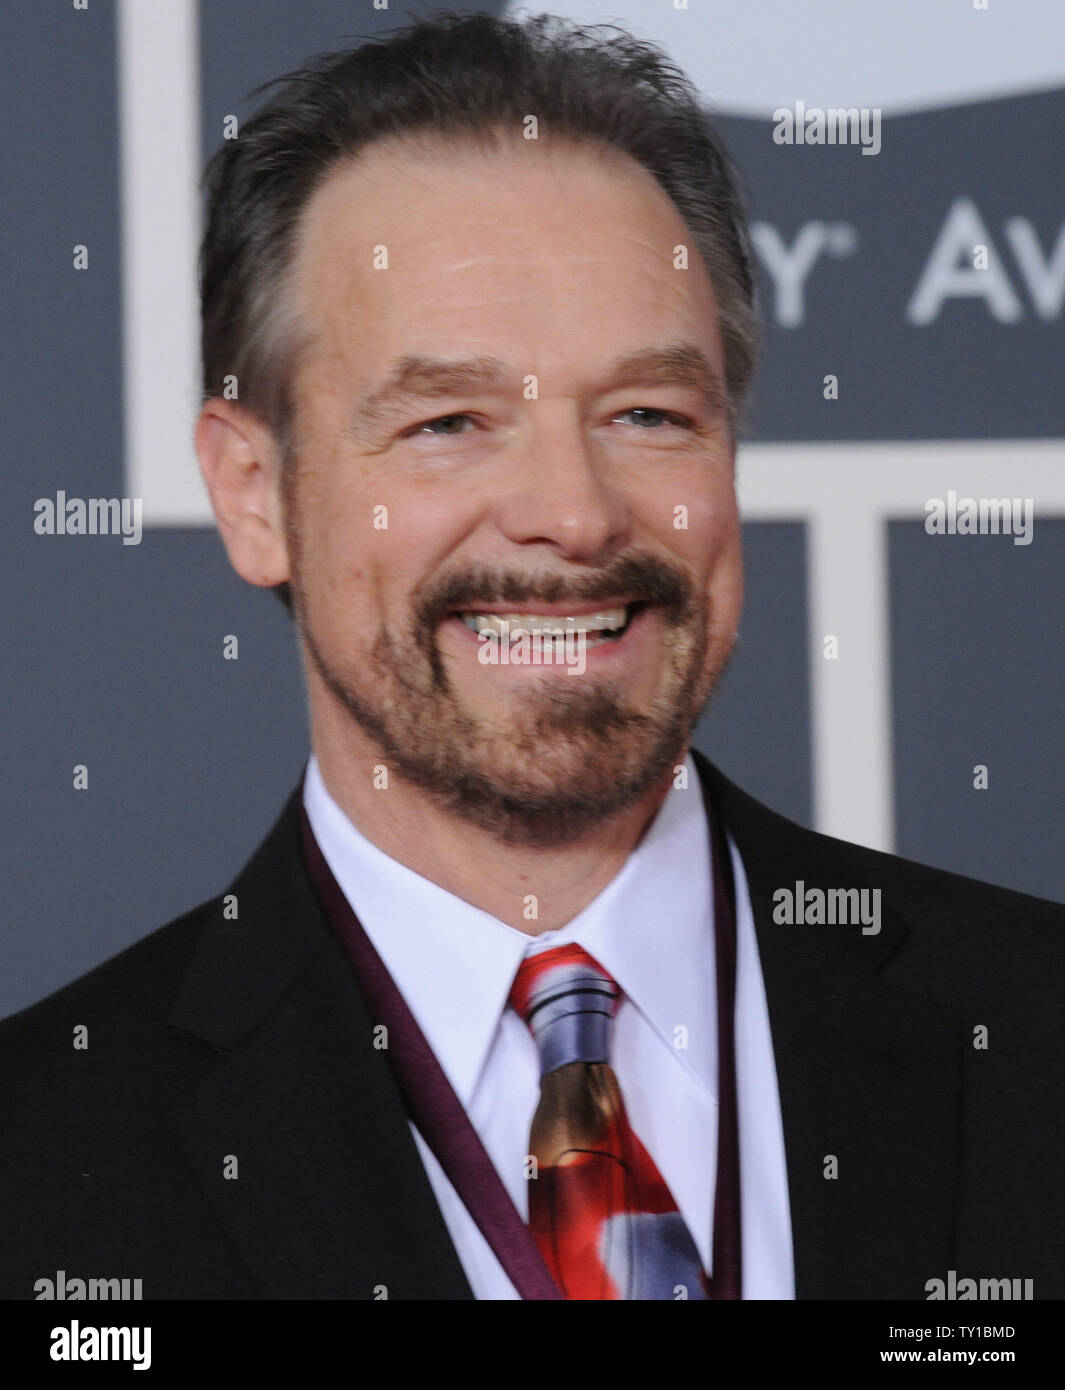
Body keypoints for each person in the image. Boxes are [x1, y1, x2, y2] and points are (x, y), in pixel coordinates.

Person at [2, 12, 1062, 1302]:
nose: (574, 509)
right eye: (450, 420)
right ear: (254, 491)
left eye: (648, 414)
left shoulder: (1035, 1034)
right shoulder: (41, 1174)